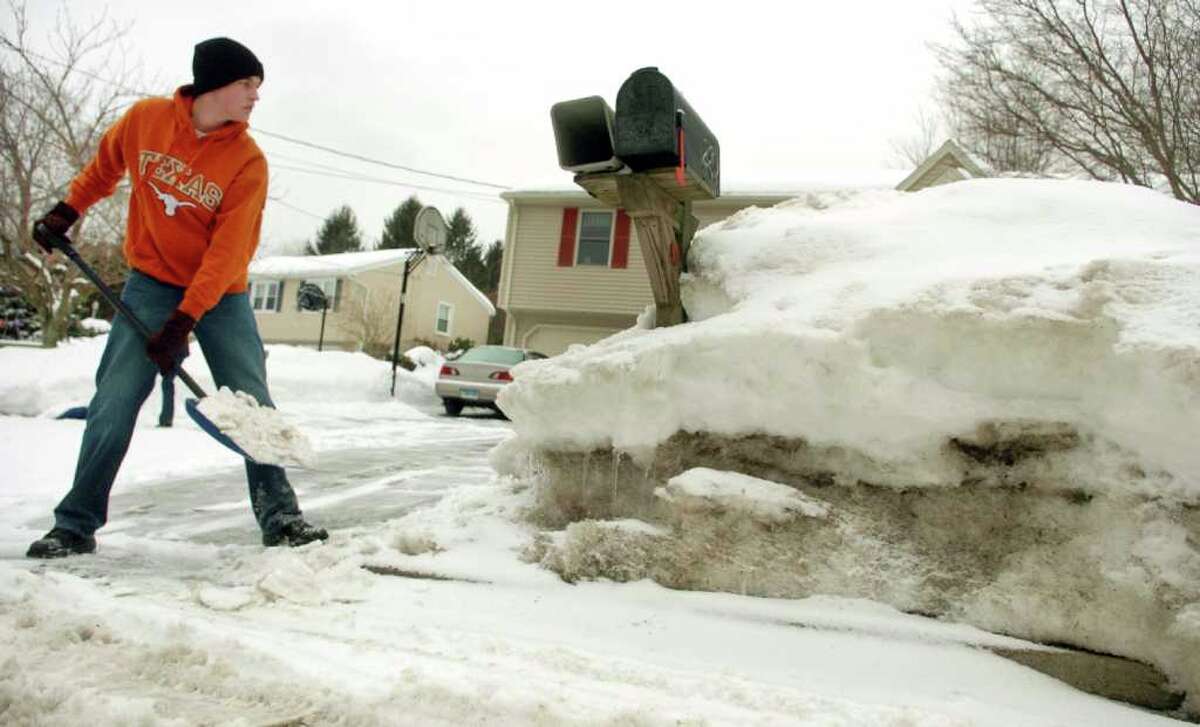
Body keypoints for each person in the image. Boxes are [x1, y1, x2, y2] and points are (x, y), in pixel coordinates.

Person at [27, 37, 327, 558]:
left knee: (251, 402)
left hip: (220, 295)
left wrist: (184, 321)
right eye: (247, 84)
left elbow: (227, 253)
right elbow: (104, 169)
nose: (256, 96)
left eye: (258, 87)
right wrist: (66, 211)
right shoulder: (146, 120)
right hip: (150, 283)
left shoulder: (247, 162)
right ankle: (74, 523)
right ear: (215, 84)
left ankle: (281, 516)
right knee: (114, 401)